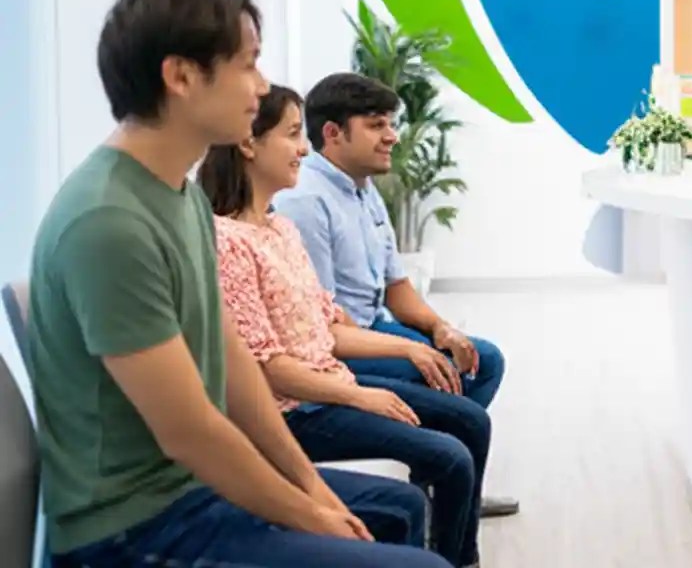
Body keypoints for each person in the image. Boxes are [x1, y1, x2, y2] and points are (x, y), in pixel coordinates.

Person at [27, 0, 448, 568]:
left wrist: (310, 485)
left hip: (190, 495)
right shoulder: (108, 223)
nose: (262, 83)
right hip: (132, 530)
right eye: (248, 64)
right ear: (180, 77)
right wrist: (311, 514)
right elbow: (191, 430)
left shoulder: (178, 196)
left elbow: (233, 366)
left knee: (396, 506)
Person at [197, 83, 486, 568]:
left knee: (465, 423)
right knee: (449, 458)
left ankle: (455, 555)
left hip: (326, 387)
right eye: (292, 135)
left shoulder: (278, 227)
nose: (304, 149)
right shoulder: (228, 241)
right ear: (249, 145)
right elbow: (265, 369)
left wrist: (411, 349)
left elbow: (326, 325)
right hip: (296, 410)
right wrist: (358, 395)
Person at [273, 72, 518, 517]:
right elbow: (321, 327)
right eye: (377, 125)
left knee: (483, 359)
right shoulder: (306, 202)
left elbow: (397, 288)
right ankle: (447, 480)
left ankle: (445, 484)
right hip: (338, 346)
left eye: (391, 123)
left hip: (374, 328)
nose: (392, 136)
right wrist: (412, 349)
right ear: (333, 133)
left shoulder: (364, 190)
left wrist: (440, 329)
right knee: (443, 380)